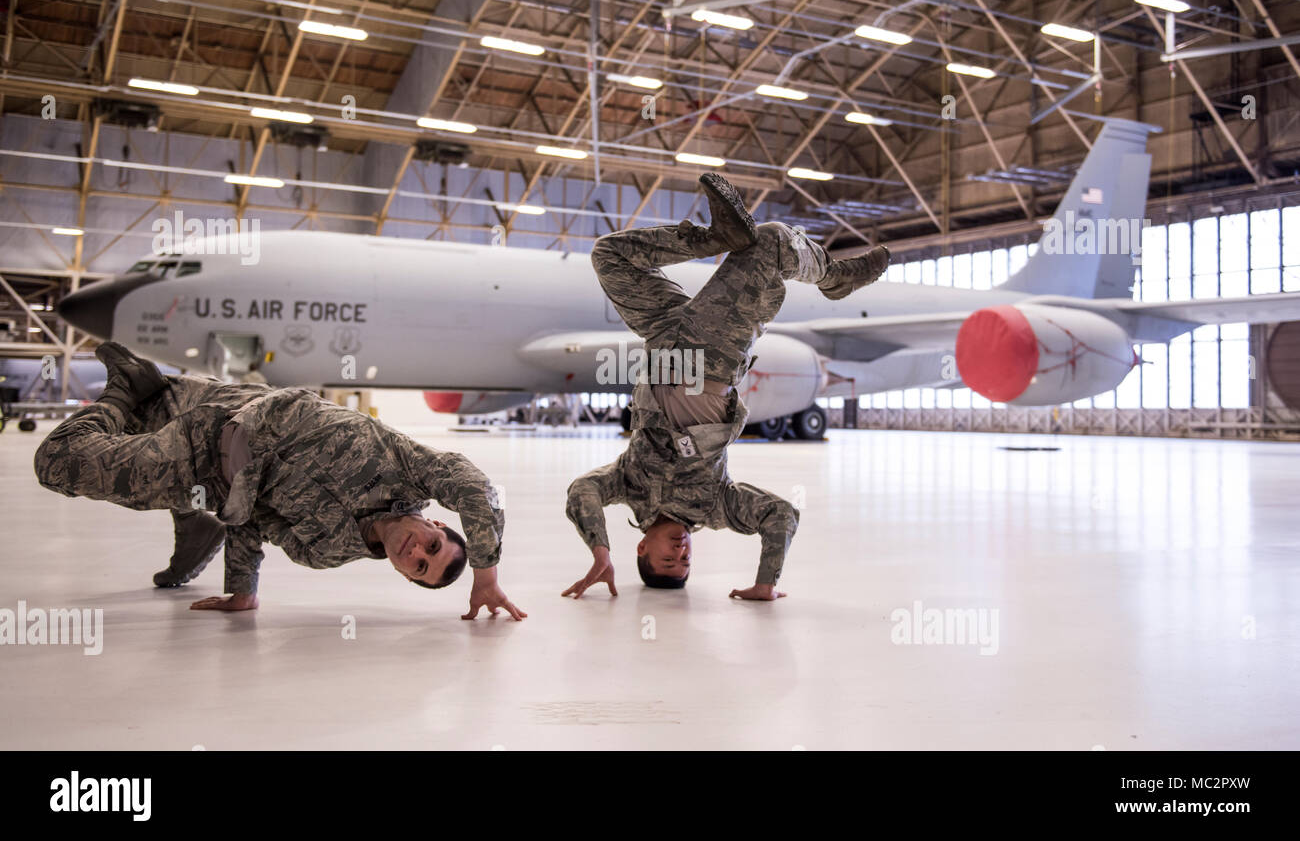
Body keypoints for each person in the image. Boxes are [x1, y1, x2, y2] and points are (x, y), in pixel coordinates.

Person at [563, 172, 890, 601]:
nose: (681, 553)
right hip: (709, 354)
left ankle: (716, 236)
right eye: (686, 562)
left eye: (667, 559)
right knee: (771, 242)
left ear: (641, 547)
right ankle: (834, 278)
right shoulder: (716, 506)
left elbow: (581, 492)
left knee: (609, 254)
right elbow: (780, 514)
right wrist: (766, 583)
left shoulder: (625, 484)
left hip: (662, 337)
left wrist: (600, 551)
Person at [34, 343, 525, 620]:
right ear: (436, 523)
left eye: (418, 568)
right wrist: (486, 575)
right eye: (432, 547)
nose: (415, 553)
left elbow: (254, 521)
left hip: (207, 460)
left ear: (401, 576)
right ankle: (189, 497)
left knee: (57, 462)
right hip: (247, 404)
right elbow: (476, 489)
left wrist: (243, 588)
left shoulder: (325, 552)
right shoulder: (410, 471)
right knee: (154, 393)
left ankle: (119, 402)